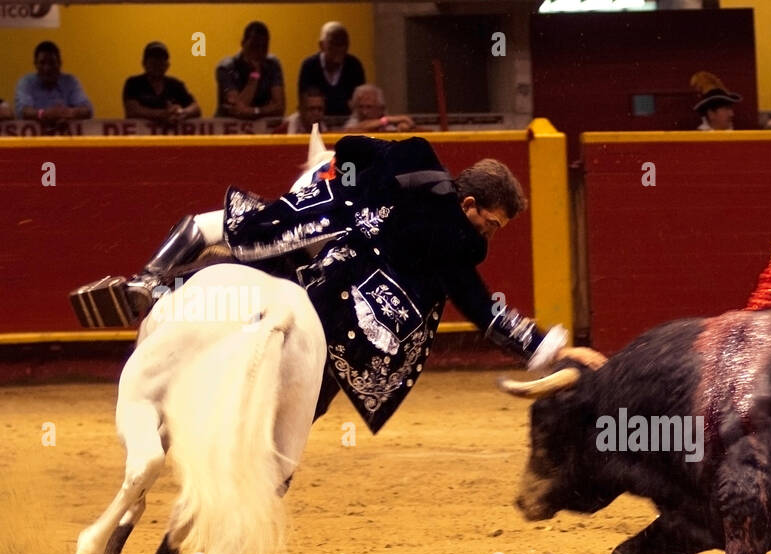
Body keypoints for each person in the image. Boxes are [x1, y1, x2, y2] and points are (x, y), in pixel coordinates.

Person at [69, 136, 569, 433]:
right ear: (470, 205)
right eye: (494, 224)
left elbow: (352, 149)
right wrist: (541, 346)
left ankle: (151, 286)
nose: (491, 234)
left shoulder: (419, 162)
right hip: (345, 331)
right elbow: (483, 308)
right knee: (307, 401)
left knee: (214, 229)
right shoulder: (458, 250)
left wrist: (339, 188)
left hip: (320, 238)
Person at [216, 20, 285, 120]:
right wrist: (255, 76)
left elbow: (279, 108)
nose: (260, 52)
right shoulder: (226, 67)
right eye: (255, 46)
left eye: (264, 47)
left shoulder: (272, 64)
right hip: (229, 128)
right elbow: (238, 110)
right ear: (243, 43)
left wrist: (254, 111)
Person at [298, 21, 366, 119]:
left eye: (343, 44)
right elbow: (305, 103)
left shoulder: (354, 66)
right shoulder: (309, 66)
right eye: (333, 44)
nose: (339, 49)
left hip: (349, 121)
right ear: (321, 45)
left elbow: (359, 103)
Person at [123, 42, 201, 123]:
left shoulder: (176, 85)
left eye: (161, 61)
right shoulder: (134, 84)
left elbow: (196, 108)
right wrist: (164, 114)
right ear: (144, 63)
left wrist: (181, 113)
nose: (157, 64)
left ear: (167, 65)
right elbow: (132, 111)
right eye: (153, 60)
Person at [14, 41, 93, 121]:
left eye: (52, 63)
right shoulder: (26, 83)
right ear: (35, 64)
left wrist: (68, 113)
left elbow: (88, 110)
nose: (47, 68)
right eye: (42, 63)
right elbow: (23, 112)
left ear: (59, 63)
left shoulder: (70, 82)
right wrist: (44, 114)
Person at [344, 84, 414, 132]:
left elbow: (409, 124)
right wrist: (386, 120)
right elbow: (350, 131)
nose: (364, 112)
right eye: (360, 107)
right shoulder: (354, 122)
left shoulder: (390, 125)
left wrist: (404, 127)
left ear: (381, 108)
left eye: (369, 107)